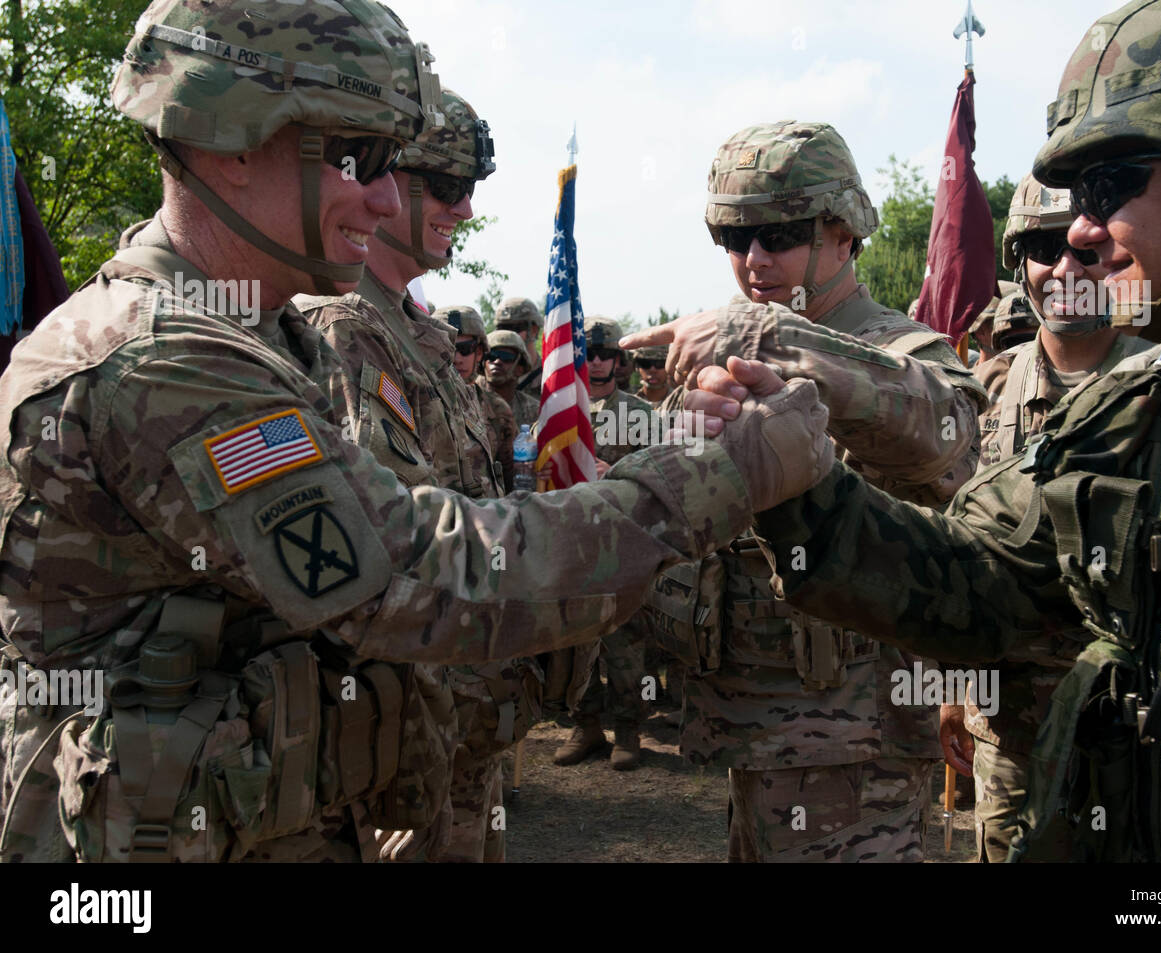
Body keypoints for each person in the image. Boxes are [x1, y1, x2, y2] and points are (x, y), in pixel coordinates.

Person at [0, 0, 834, 863]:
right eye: (358, 158)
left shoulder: (259, 335)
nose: (388, 197)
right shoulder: (160, 361)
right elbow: (413, 572)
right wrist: (719, 475)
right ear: (231, 140)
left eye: (395, 163)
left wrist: (674, 455)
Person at [730, 0, 1161, 863]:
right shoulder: (1150, 401)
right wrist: (803, 493)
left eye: (1111, 185)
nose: (1079, 231)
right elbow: (983, 581)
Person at [626, 121, 984, 862]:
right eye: (734, 235)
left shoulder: (898, 352)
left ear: (841, 230)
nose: (755, 259)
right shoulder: (725, 352)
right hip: (756, 725)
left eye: (780, 233)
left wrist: (768, 341)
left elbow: (950, 441)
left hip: (861, 739)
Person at [295, 89, 540, 863]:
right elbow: (391, 550)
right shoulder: (344, 328)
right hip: (400, 738)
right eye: (447, 186)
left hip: (457, 723)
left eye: (471, 190)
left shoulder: (412, 332)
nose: (463, 209)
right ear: (388, 176)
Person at [941, 172, 1153, 863]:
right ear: (1016, 263)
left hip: (1131, 725)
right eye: (1040, 246)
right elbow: (958, 546)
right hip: (1010, 727)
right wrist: (948, 687)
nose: (1064, 267)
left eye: (1082, 249)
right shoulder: (988, 391)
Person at [552, 317, 657, 770]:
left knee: (625, 639)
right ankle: (586, 723)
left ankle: (629, 729)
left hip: (621, 543)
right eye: (588, 353)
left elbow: (656, 478)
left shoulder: (638, 413)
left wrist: (609, 471)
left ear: (619, 361)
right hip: (571, 541)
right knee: (576, 638)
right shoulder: (558, 409)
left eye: (605, 354)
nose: (596, 362)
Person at [441, 304, 518, 491]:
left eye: (465, 349)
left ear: (480, 352)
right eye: (448, 347)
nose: (457, 358)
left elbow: (511, 475)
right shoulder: (416, 403)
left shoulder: (497, 409)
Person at [481, 328, 538, 428]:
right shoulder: (466, 403)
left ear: (520, 369)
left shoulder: (534, 411)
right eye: (492, 356)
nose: (497, 361)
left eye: (506, 357)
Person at [495, 296, 543, 399]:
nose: (508, 334)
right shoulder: (488, 376)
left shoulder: (550, 379)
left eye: (515, 329)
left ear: (534, 330)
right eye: (502, 328)